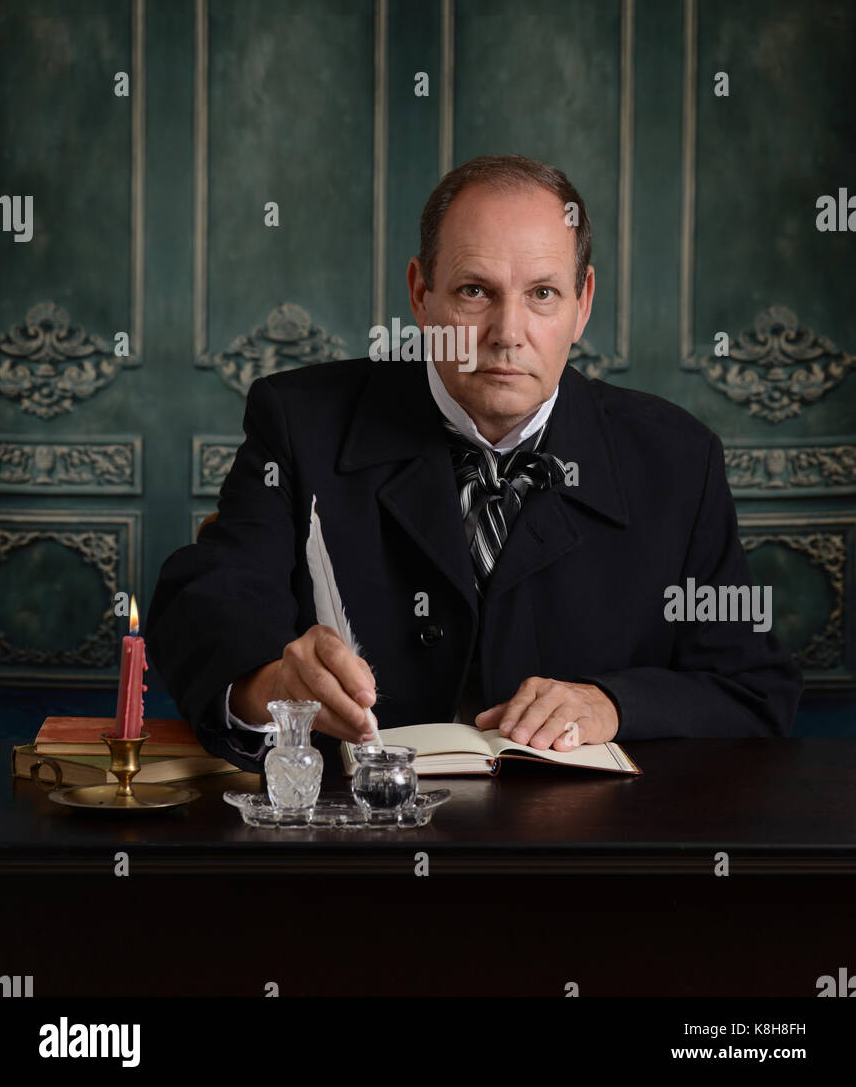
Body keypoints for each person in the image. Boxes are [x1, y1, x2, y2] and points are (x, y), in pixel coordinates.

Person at [145, 155, 802, 772]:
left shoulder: (676, 460)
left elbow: (751, 689)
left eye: (542, 293)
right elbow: (208, 603)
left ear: (583, 303)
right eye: (473, 291)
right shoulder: (299, 423)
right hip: (358, 847)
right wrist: (272, 686)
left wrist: (611, 704)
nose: (507, 332)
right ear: (421, 295)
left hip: (591, 860)